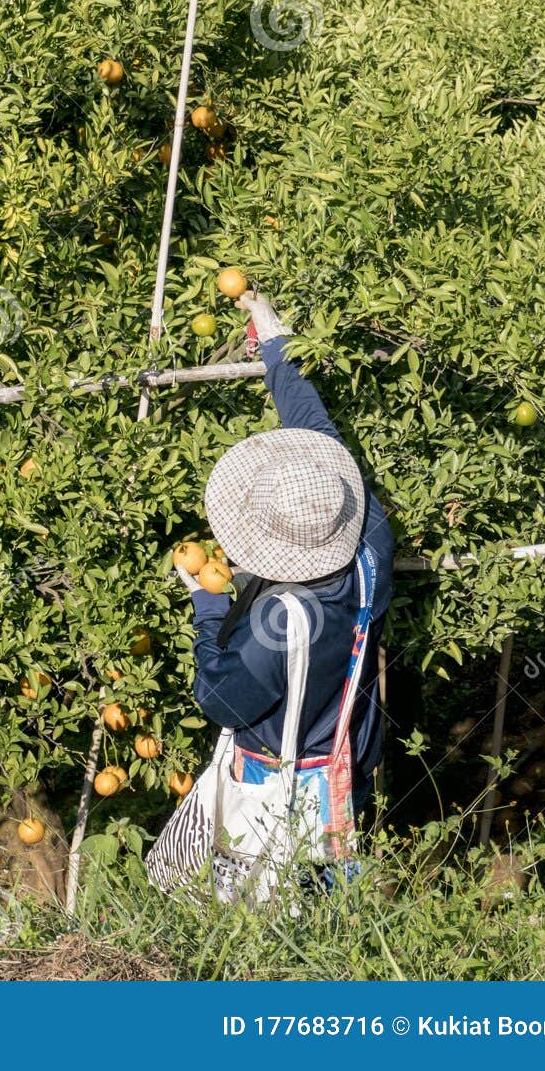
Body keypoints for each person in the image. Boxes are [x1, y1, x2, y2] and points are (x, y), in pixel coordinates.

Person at [176, 290, 395, 858]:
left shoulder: (283, 616)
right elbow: (316, 430)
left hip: (282, 780)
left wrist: (208, 608)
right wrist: (276, 345)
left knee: (270, 906)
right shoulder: (369, 543)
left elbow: (223, 700)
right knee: (339, 909)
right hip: (349, 753)